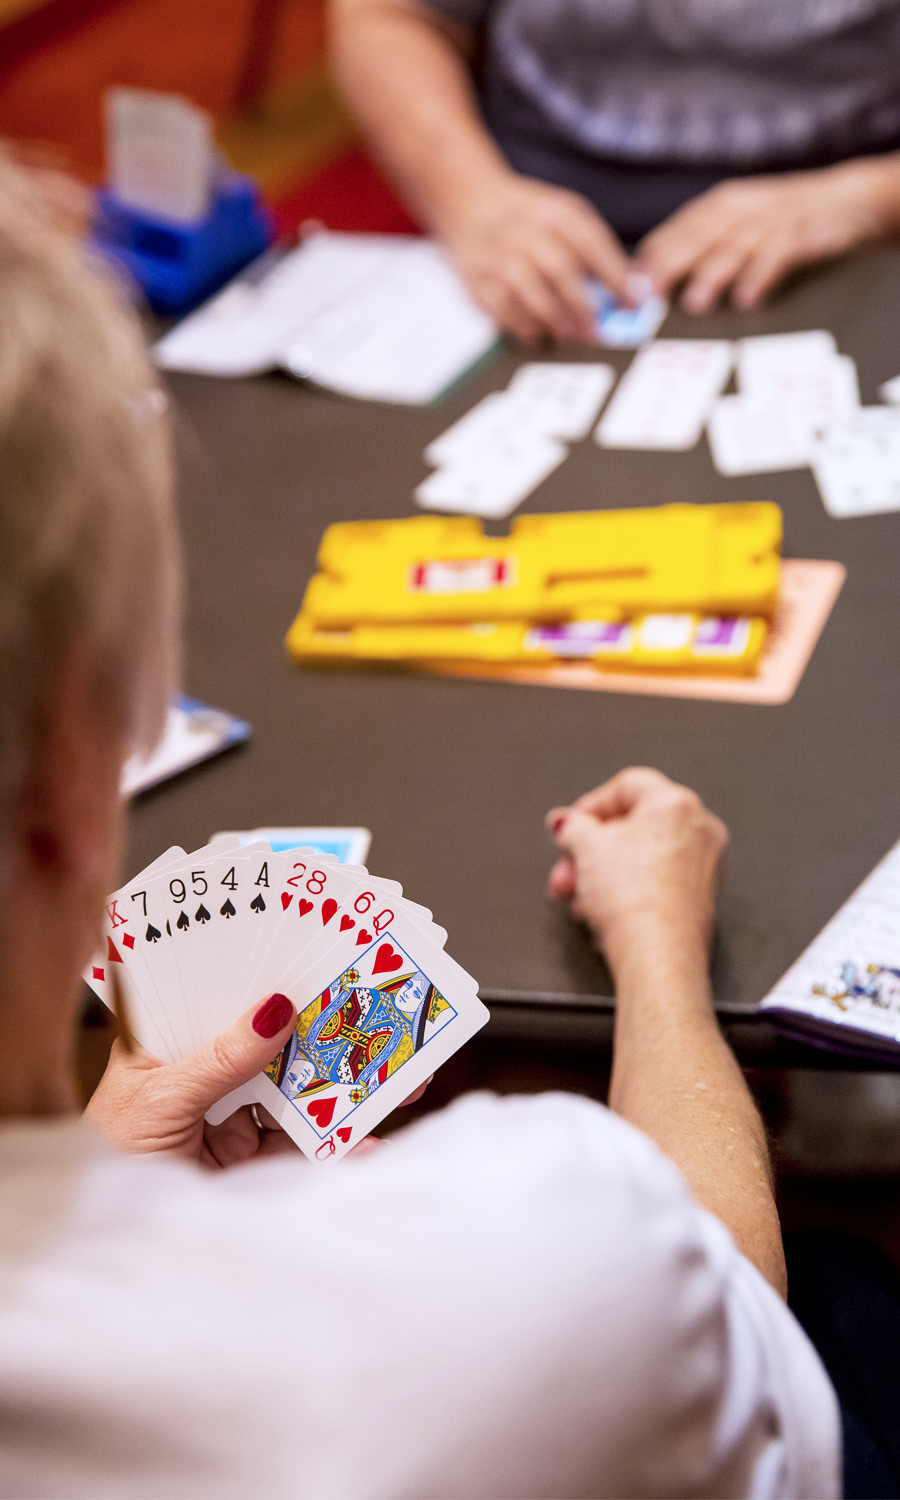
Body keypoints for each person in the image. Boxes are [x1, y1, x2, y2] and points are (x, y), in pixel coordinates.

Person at [0, 157, 839, 1498]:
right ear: (67, 776)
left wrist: (93, 1167)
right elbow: (734, 1334)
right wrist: (659, 951)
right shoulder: (532, 1257)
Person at [329, 0, 900, 341]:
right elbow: (391, 15)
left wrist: (869, 199)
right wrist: (474, 198)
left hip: (850, 244)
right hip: (542, 237)